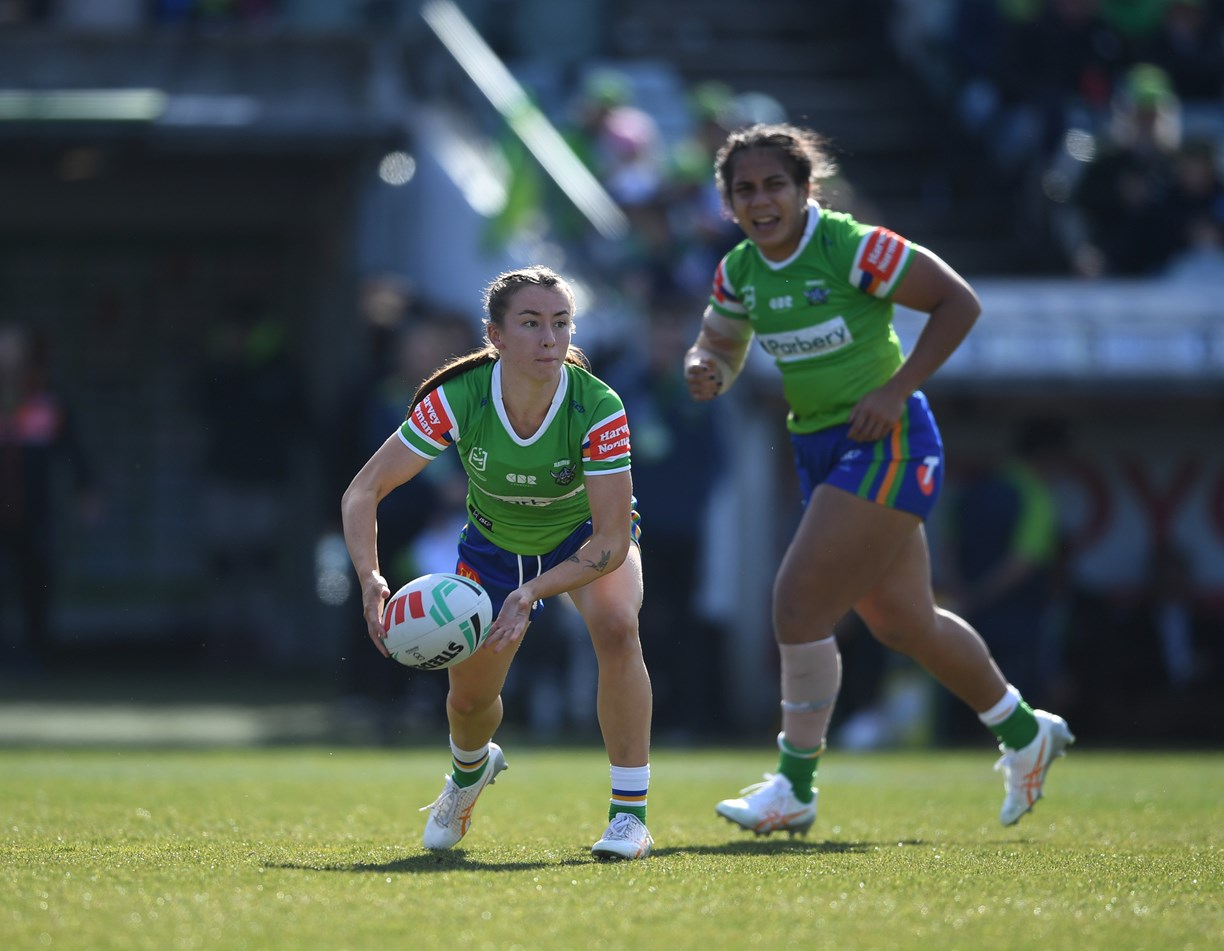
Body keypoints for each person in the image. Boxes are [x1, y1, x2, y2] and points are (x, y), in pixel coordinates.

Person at [682, 123, 1074, 835]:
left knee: (798, 605)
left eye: (775, 185)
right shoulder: (738, 270)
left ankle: (795, 786)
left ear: (807, 189)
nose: (761, 200)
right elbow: (722, 340)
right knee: (904, 622)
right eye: (745, 190)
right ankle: (1024, 731)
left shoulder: (852, 246)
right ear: (728, 202)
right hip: (819, 447)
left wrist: (896, 390)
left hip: (887, 441)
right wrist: (705, 366)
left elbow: (958, 301)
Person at [340, 266, 654, 860]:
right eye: (531, 323)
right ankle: (469, 772)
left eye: (561, 323)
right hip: (492, 549)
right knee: (468, 702)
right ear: (497, 336)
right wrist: (370, 577)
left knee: (617, 626)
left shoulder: (598, 405)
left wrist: (531, 592)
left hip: (582, 541)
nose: (549, 339)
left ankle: (629, 817)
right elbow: (362, 492)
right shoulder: (459, 397)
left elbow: (612, 541)